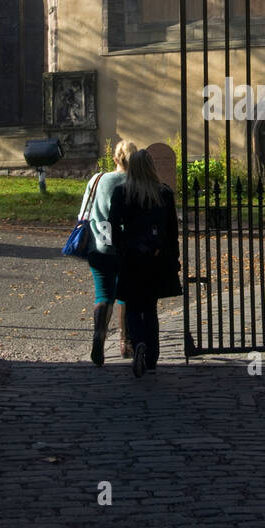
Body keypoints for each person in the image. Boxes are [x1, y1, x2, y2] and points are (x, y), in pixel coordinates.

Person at [108, 149, 181, 377]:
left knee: (131, 305)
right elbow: (172, 232)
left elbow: (112, 224)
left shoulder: (122, 192)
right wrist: (173, 258)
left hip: (131, 256)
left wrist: (120, 247)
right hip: (155, 257)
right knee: (150, 308)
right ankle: (151, 356)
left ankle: (137, 341)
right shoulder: (163, 194)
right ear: (151, 167)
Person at [79, 139, 137, 365]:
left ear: (115, 158)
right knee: (126, 296)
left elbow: (83, 213)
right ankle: (126, 342)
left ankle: (98, 338)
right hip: (127, 248)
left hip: (99, 245)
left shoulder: (97, 180)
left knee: (103, 295)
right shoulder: (136, 182)